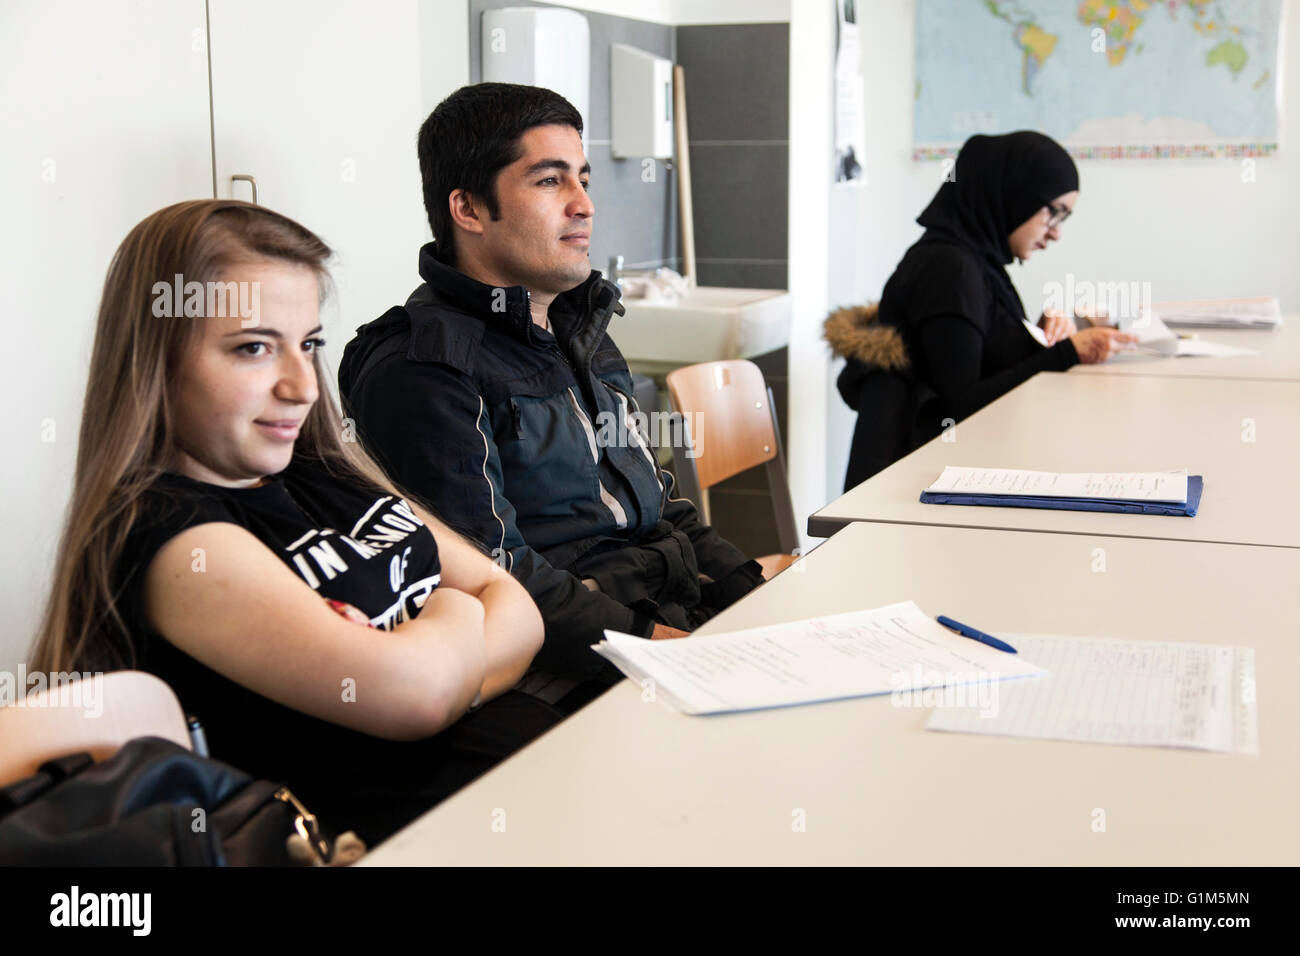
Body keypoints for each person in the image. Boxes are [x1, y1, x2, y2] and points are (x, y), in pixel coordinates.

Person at [28, 199, 554, 845]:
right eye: (253, 348)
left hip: (530, 793)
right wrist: (455, 612)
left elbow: (518, 608)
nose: (302, 386)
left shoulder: (321, 467)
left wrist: (445, 674)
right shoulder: (172, 536)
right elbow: (417, 693)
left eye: (307, 345)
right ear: (156, 359)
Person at [338, 83, 765, 697]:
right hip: (573, 674)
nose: (583, 204)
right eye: (549, 181)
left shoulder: (576, 325)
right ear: (470, 210)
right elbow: (493, 574)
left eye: (583, 180)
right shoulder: (424, 367)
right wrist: (665, 650)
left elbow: (658, 506)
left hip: (661, 623)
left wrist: (749, 590)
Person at [825, 131, 1136, 489]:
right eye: (1053, 213)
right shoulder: (949, 269)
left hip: (952, 479)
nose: (1055, 234)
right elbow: (958, 411)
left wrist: (1033, 337)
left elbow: (978, 355)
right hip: (917, 499)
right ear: (1014, 194)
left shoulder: (975, 261)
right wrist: (1067, 353)